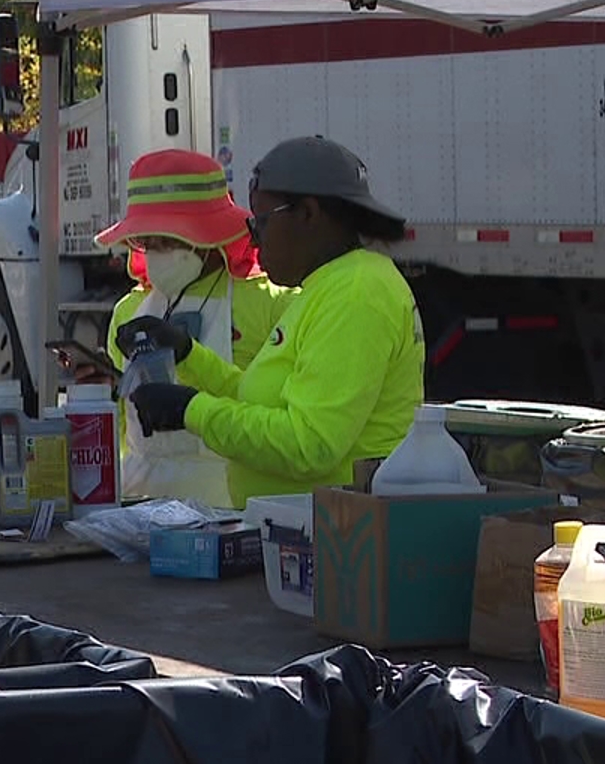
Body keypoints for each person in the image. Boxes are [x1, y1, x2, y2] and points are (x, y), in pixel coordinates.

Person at [117, 136, 425, 509]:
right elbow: (260, 401)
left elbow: (309, 444)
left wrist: (191, 409)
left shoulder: (356, 294)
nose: (254, 238)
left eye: (260, 222)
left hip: (334, 533)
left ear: (309, 214)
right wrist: (188, 354)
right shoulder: (328, 286)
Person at [84, 149, 296, 506]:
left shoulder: (271, 301)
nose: (155, 252)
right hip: (141, 500)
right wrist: (99, 396)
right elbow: (122, 431)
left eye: (167, 239)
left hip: (233, 504)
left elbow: (281, 420)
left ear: (213, 235)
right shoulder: (129, 309)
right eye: (145, 241)